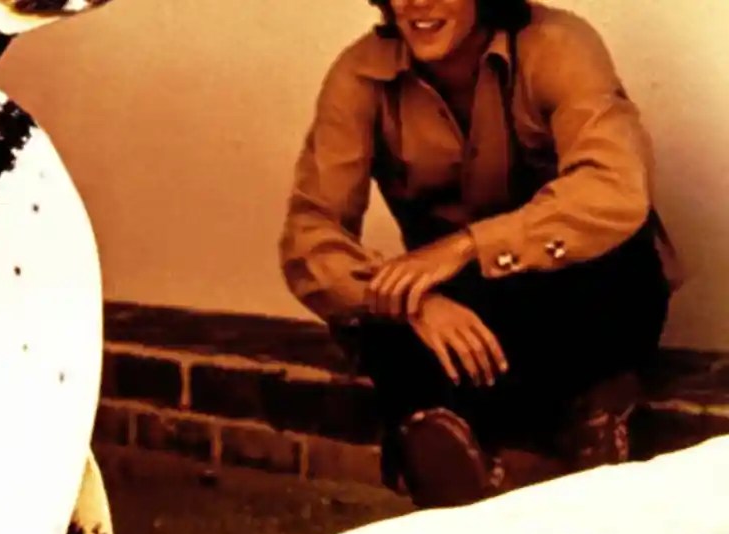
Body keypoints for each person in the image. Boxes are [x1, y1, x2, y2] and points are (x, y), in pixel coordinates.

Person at [277, 0, 684, 508]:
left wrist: (469, 246)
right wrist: (413, 303)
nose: (417, 3)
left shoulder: (559, 44)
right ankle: (526, 450)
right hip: (467, 306)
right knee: (379, 319)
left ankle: (466, 452)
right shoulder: (360, 74)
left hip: (583, 281)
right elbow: (310, 231)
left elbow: (614, 188)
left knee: (620, 272)